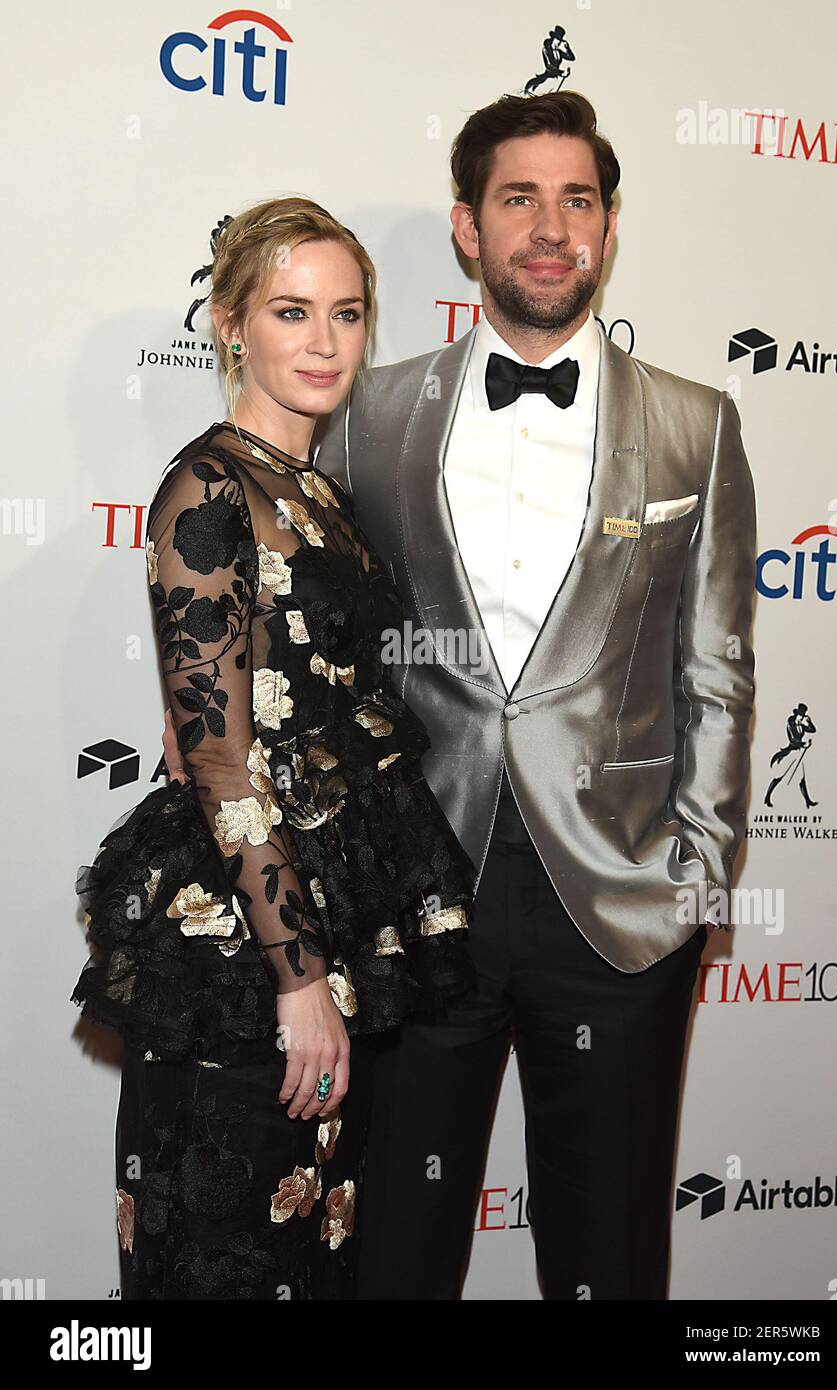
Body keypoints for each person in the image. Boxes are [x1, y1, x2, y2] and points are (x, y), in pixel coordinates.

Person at [309, 90, 758, 1301]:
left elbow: (715, 667)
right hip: (418, 900)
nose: (552, 227)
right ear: (468, 227)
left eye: (580, 200)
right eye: (521, 199)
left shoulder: (695, 427)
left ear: (608, 229)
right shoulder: (365, 417)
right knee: (395, 1249)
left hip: (617, 907)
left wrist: (698, 883)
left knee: (606, 1254)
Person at [70, 196, 477, 1301]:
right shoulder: (209, 485)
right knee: (225, 1257)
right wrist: (296, 977)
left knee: (311, 1254)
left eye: (347, 313)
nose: (325, 340)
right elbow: (215, 756)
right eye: (292, 311)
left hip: (330, 904)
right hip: (249, 939)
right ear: (233, 324)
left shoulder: (320, 494)